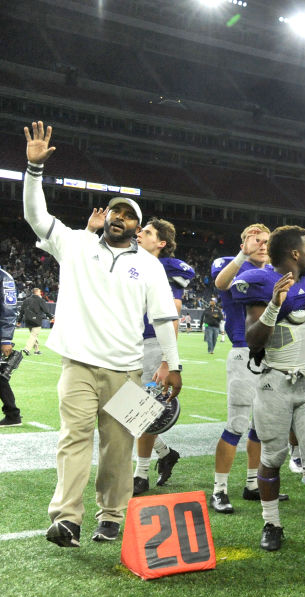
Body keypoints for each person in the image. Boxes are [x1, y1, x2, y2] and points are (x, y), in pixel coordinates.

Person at [22, 121, 181, 547]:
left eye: (128, 215)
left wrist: (174, 364)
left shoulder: (149, 266)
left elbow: (163, 317)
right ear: (106, 216)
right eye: (115, 212)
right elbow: (36, 216)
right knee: (72, 439)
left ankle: (111, 515)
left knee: (118, 448)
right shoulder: (76, 244)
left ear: (137, 227)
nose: (119, 218)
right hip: (77, 365)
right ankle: (66, 519)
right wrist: (34, 170)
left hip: (127, 372)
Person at [233, 226, 305, 552]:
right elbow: (253, 340)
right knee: (273, 456)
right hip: (274, 381)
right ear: (294, 253)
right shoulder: (262, 282)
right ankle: (271, 523)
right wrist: (274, 305)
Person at [209, 224, 275, 513]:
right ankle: (219, 490)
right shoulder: (230, 263)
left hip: (272, 354)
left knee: (261, 424)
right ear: (244, 243)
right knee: (237, 423)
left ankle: (252, 484)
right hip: (243, 352)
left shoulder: (274, 271)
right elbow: (221, 283)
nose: (261, 244)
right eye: (255, 240)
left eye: (266, 241)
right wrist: (242, 255)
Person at [128, 217, 193, 493]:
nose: (139, 234)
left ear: (161, 243)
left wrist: (168, 360)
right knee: (127, 409)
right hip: (128, 342)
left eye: (147, 232)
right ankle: (166, 453)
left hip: (153, 341)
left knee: (143, 410)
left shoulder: (168, 269)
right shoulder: (131, 261)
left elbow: (172, 314)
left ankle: (141, 474)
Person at [1, 264, 20, 427]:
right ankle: (12, 414)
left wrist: (6, 339)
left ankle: (13, 414)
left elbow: (9, 308)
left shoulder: (4, 278)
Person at [20, 287, 49, 355]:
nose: (40, 293)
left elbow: (21, 311)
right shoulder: (40, 300)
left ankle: (36, 350)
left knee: (34, 335)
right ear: (37, 292)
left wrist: (19, 320)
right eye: (40, 292)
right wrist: (51, 317)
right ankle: (27, 349)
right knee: (34, 335)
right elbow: (46, 310)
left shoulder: (26, 300)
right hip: (36, 320)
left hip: (28, 320)